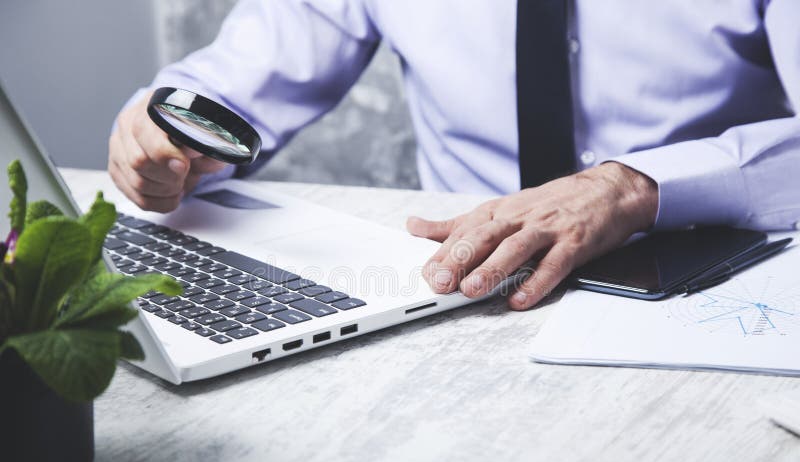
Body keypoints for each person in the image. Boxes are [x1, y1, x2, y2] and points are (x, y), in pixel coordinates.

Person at [109, 0, 800, 311]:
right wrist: (163, 135)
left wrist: (631, 189)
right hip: (453, 292)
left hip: (714, 283)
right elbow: (237, 83)